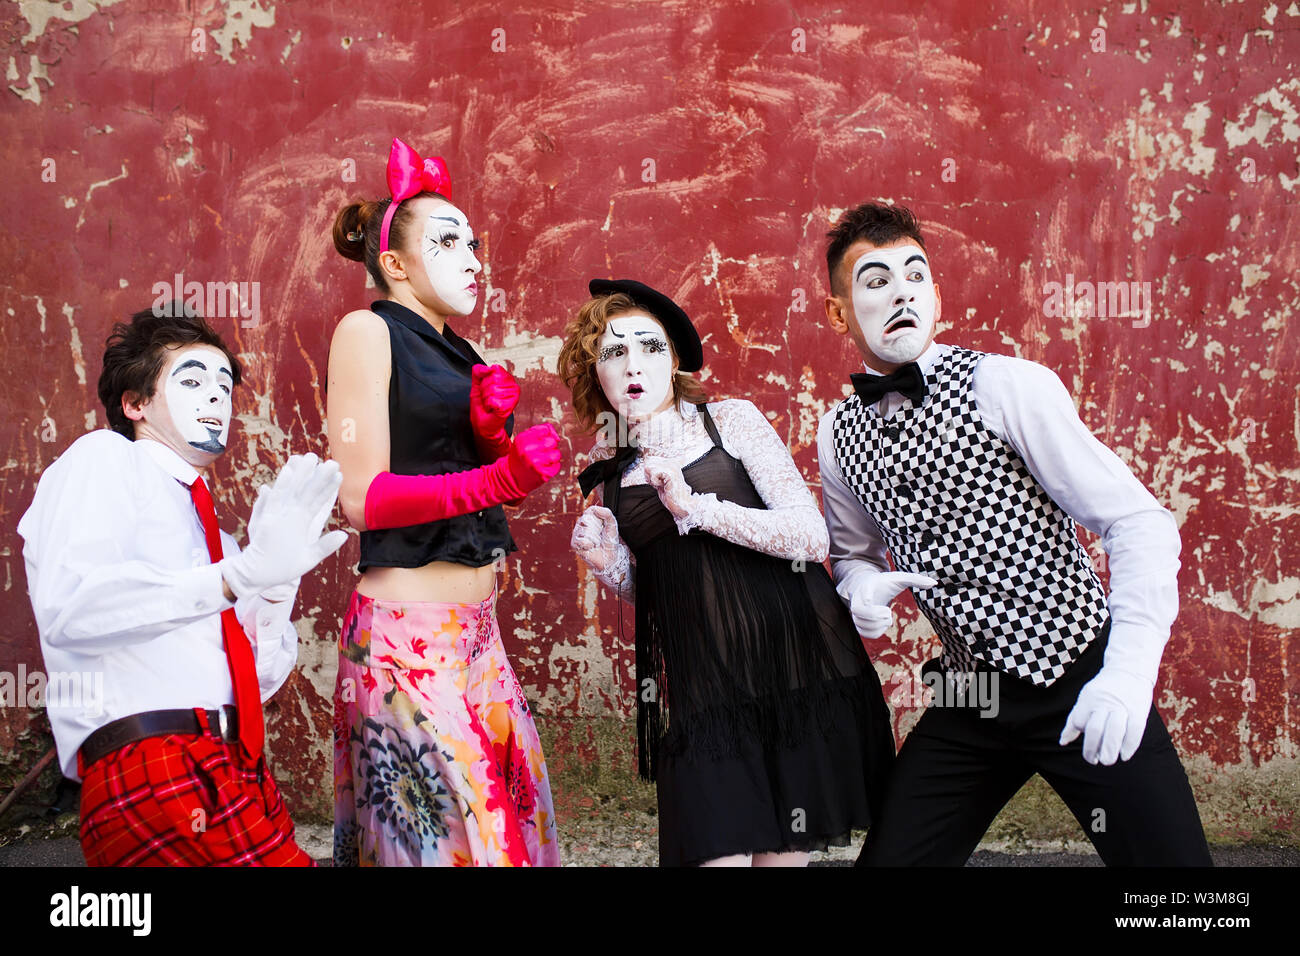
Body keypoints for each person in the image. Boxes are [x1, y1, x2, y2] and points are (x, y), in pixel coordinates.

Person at [817, 201, 1213, 865]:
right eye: (876, 280)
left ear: (936, 294)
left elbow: (1138, 521)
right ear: (839, 313)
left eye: (915, 274)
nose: (902, 291)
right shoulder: (837, 433)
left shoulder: (1007, 386)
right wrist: (860, 587)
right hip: (971, 698)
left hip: (1079, 677)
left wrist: (1128, 670)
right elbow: (852, 553)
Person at [560, 278, 895, 867]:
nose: (633, 364)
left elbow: (810, 535)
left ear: (674, 362)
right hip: (707, 699)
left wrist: (699, 508)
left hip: (793, 677)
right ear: (596, 376)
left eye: (650, 347)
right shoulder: (607, 474)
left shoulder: (730, 422)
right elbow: (669, 589)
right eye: (614, 352)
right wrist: (609, 563)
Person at [18, 303, 345, 866]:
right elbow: (72, 609)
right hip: (155, 760)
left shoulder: (217, 535)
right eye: (192, 380)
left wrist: (273, 586)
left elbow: (257, 681)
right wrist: (235, 578)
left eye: (224, 384)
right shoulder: (104, 460)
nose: (217, 395)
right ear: (135, 403)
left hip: (236, 765)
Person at [327, 138, 561, 866]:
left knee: (507, 837)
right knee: (460, 848)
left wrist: (494, 439)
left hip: (478, 637)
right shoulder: (367, 331)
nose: (473, 259)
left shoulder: (464, 352)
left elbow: (474, 500)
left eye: (474, 243)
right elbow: (360, 500)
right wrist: (496, 477)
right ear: (393, 264)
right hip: (405, 639)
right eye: (448, 241)